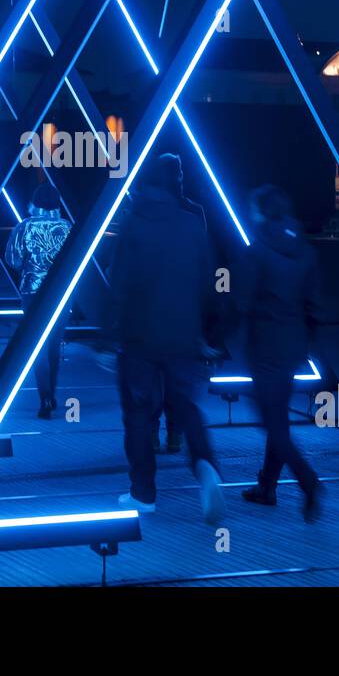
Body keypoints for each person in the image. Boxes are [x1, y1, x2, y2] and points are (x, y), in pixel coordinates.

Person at [108, 154, 224, 525]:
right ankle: (205, 466)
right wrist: (208, 334)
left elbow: (119, 285)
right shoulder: (193, 225)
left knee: (139, 415)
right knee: (187, 406)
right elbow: (210, 284)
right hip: (183, 334)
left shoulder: (132, 224)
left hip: (139, 338)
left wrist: (108, 337)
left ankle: (143, 493)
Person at [230, 185, 323, 521]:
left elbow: (240, 303)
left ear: (260, 212)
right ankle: (266, 486)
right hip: (293, 346)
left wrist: (218, 339)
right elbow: (314, 306)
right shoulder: (306, 252)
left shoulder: (256, 253)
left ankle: (308, 480)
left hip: (264, 347)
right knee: (277, 417)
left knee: (271, 421)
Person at [149, 153, 207, 456]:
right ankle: (175, 435)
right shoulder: (194, 212)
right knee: (178, 378)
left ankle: (153, 434)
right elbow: (203, 261)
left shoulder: (146, 212)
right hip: (185, 309)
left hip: (153, 309)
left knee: (153, 378)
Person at [5, 183, 71, 419]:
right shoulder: (67, 227)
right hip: (61, 293)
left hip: (32, 293)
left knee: (37, 345)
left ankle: (44, 396)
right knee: (54, 344)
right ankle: (53, 393)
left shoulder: (23, 227)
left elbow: (12, 260)